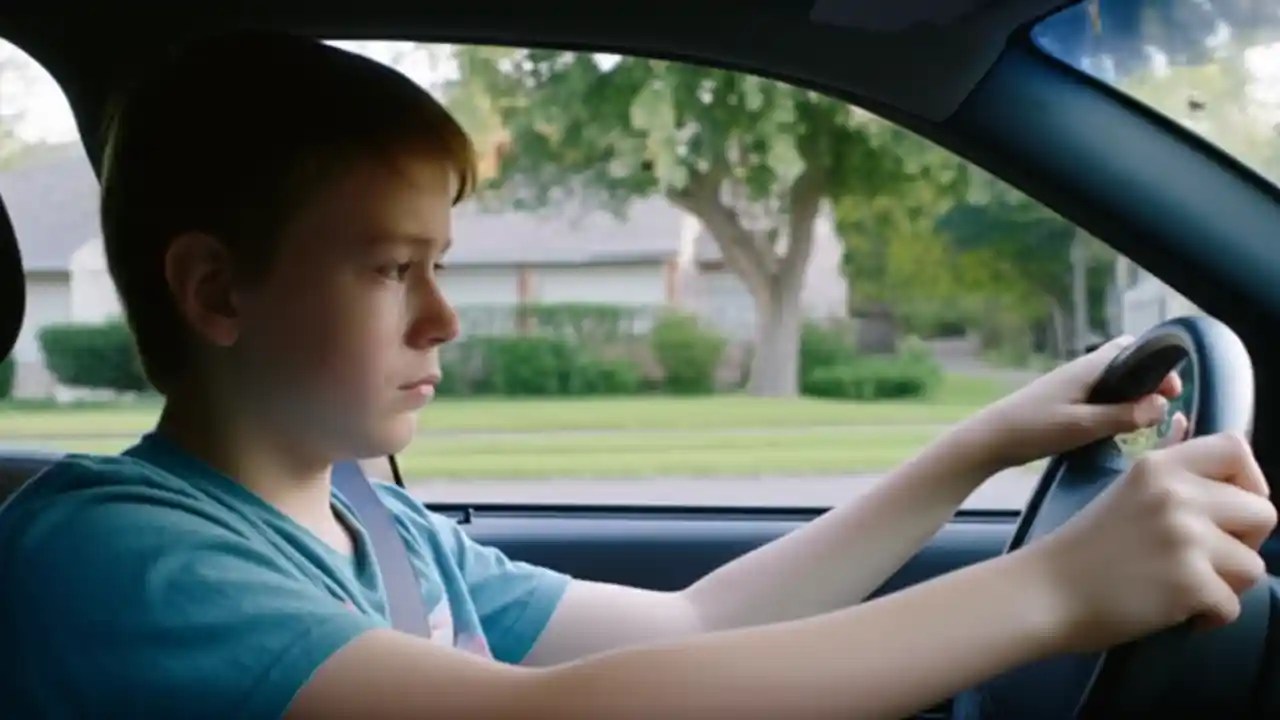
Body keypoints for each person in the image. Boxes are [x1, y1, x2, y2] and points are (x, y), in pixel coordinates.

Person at [0, 33, 1272, 720]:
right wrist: (1051, 591)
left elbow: (694, 631)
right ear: (218, 291)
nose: (445, 319)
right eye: (393, 270)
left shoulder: (372, 523)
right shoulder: (121, 561)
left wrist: (977, 448)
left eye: (439, 266)